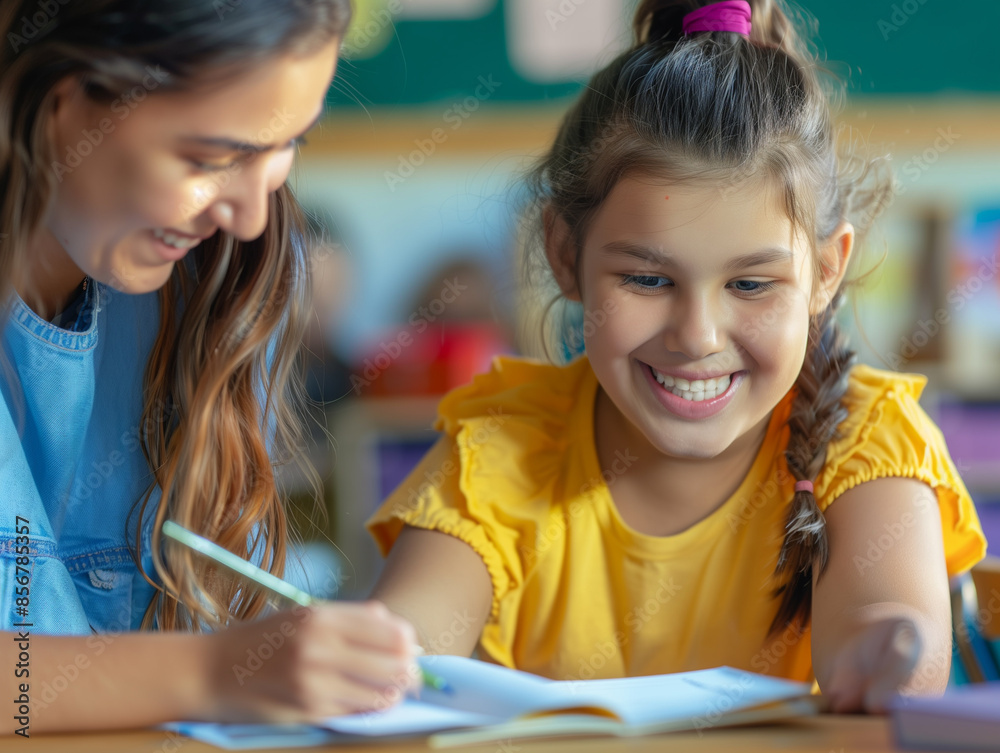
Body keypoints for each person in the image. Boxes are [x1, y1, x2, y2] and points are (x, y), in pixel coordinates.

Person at [367, 0, 988, 714]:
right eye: (648, 279)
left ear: (825, 272)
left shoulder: (866, 440)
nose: (697, 335)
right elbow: (404, 653)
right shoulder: (503, 447)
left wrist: (891, 650)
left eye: (750, 284)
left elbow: (886, 651)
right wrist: (374, 662)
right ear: (566, 256)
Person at [0, 0, 419, 735]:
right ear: (64, 104)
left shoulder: (224, 282)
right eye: (211, 158)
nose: (251, 216)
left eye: (289, 143)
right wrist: (216, 670)